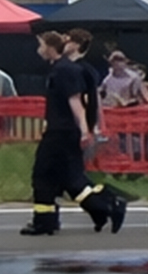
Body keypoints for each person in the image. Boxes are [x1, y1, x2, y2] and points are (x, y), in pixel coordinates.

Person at [21, 32, 127, 236]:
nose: (39, 50)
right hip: (58, 129)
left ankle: (106, 204)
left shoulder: (65, 70)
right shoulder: (59, 69)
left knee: (44, 174)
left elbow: (75, 101)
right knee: (66, 178)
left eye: (41, 45)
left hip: (62, 132)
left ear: (50, 46)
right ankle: (97, 209)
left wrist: (85, 130)